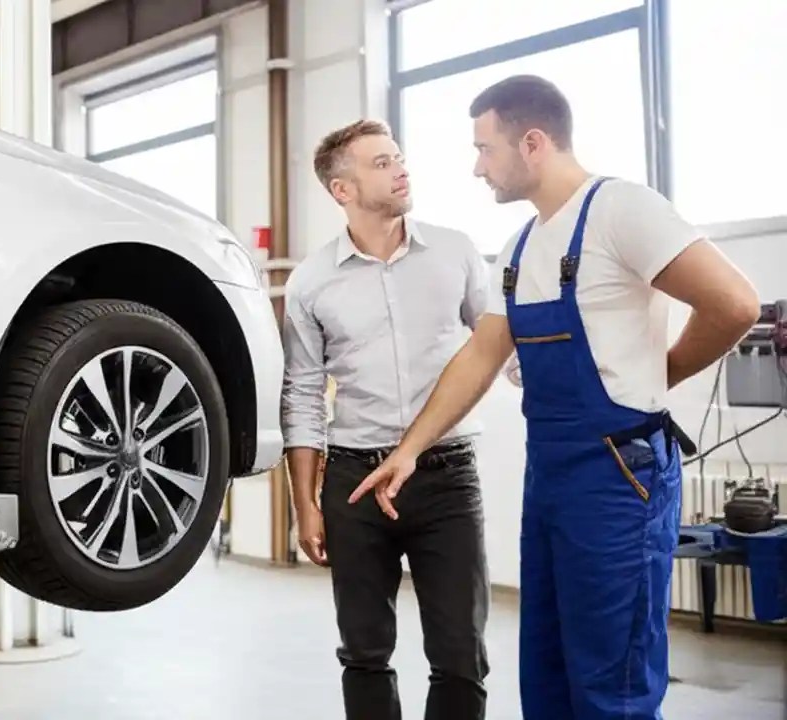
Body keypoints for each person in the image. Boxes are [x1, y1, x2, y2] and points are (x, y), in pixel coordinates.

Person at [350, 75, 761, 720]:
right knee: (547, 668)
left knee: (611, 679)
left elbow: (735, 303)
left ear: (533, 142)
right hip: (551, 475)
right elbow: (481, 355)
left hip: (619, 474)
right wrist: (411, 448)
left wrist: (662, 376)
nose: (477, 166)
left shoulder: (623, 209)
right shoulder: (519, 250)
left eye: (485, 148)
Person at [281, 118, 492, 720]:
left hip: (447, 475)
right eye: (381, 163)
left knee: (460, 652)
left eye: (399, 157)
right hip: (353, 482)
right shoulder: (311, 281)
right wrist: (306, 502)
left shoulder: (455, 252)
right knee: (365, 651)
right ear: (341, 190)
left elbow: (500, 349)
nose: (401, 169)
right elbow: (301, 394)